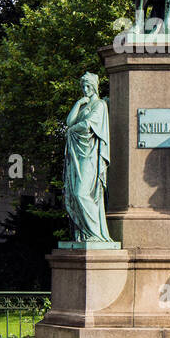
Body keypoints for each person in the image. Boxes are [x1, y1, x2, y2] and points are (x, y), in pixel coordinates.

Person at [62, 72, 111, 242]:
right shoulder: (84, 105)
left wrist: (72, 130)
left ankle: (96, 233)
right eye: (83, 86)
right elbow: (70, 122)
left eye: (88, 86)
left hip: (90, 155)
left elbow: (88, 125)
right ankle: (86, 232)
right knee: (76, 195)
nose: (85, 89)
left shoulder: (100, 105)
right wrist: (78, 103)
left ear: (95, 86)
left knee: (81, 193)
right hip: (78, 154)